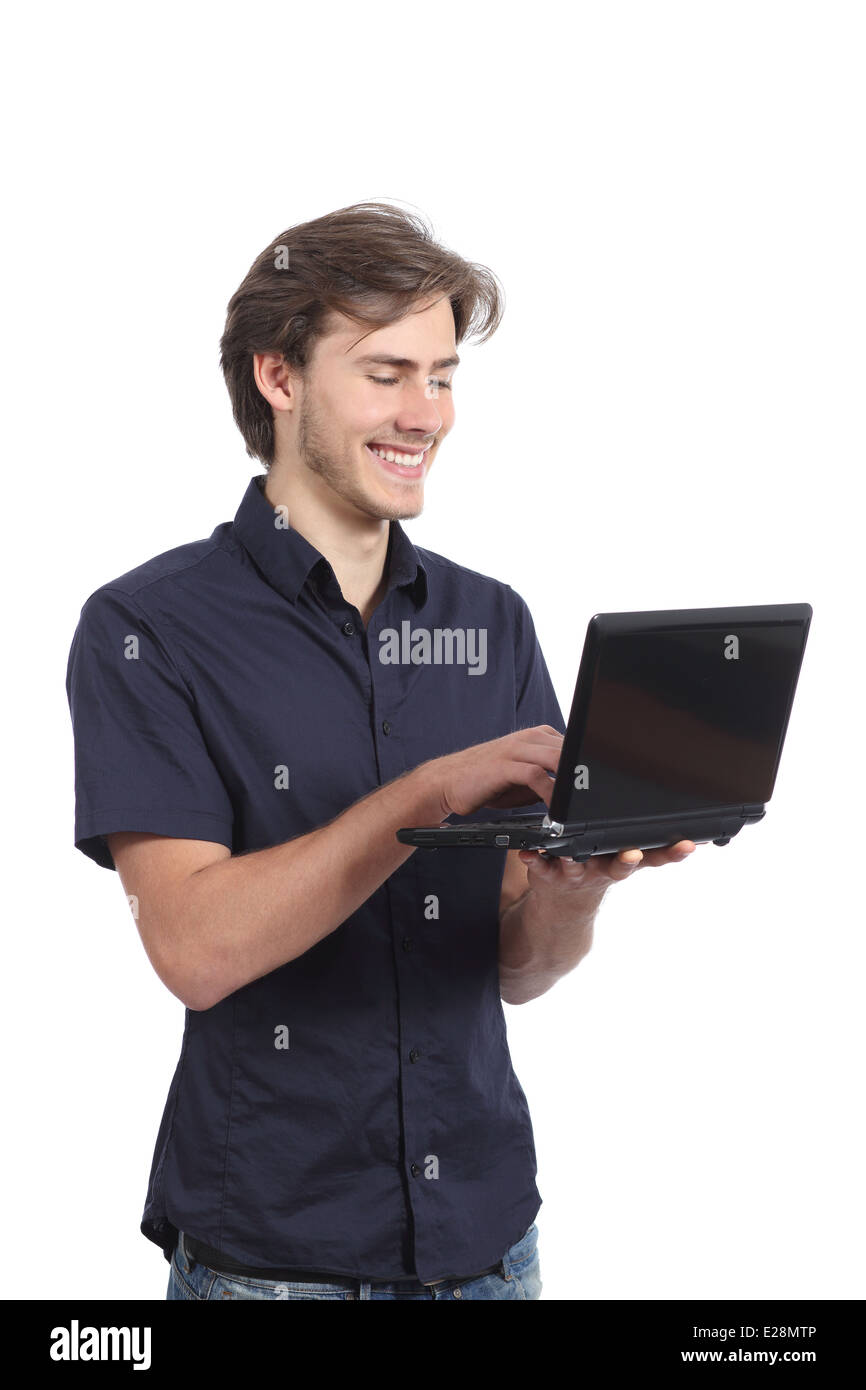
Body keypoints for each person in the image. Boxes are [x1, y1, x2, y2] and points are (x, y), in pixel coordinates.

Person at [66, 201, 695, 1301]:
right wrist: (423, 793)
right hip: (274, 1267)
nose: (427, 413)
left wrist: (571, 889)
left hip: (492, 1246)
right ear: (278, 378)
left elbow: (513, 969)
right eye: (387, 373)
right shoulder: (146, 628)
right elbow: (195, 949)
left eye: (443, 375)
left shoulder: (489, 619)